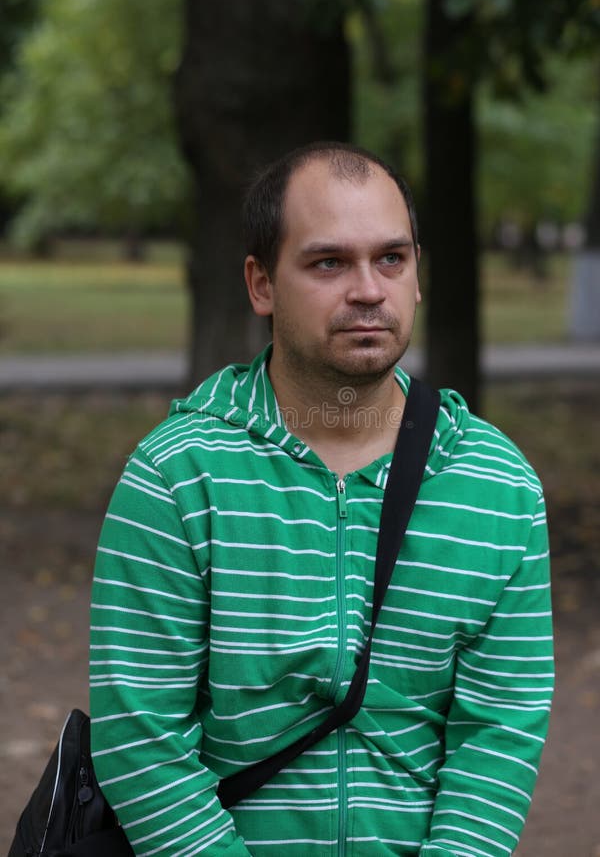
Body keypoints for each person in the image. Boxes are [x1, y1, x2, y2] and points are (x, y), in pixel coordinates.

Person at [89, 141, 554, 857]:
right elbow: (140, 738)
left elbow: (498, 736)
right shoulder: (178, 477)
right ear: (261, 283)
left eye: (391, 259)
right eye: (329, 262)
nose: (369, 290)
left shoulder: (497, 485)